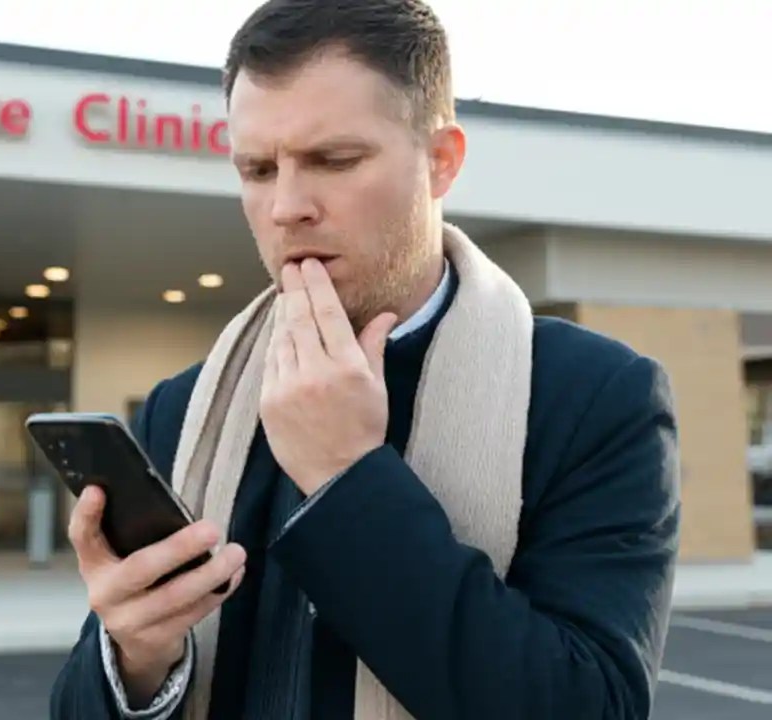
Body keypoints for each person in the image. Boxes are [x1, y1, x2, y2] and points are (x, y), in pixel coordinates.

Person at [50, 0, 681, 718]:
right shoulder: (187, 408)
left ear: (441, 161)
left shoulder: (594, 397)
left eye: (334, 160)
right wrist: (134, 657)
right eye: (258, 169)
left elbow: (589, 706)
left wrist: (347, 479)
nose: (287, 206)